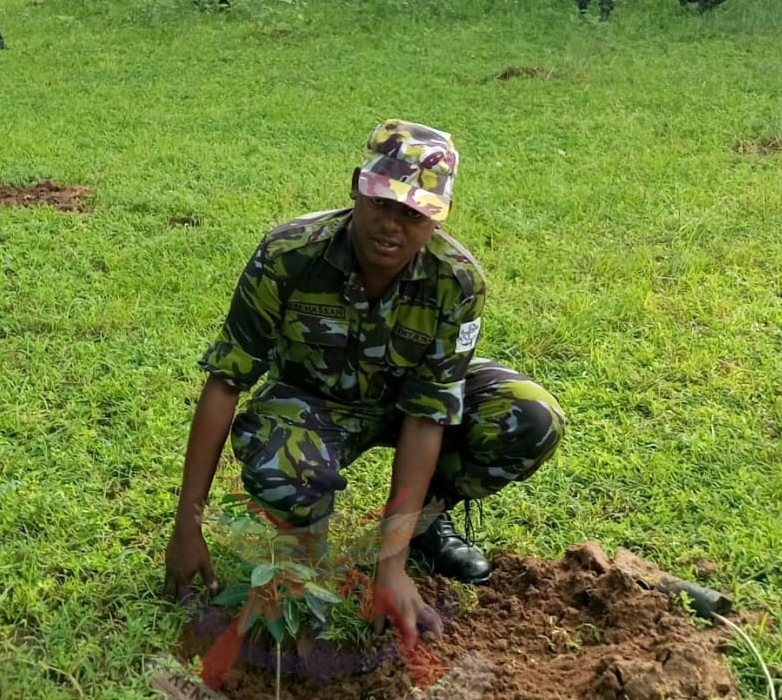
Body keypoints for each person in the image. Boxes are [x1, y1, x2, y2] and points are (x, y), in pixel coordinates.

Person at [164, 120, 565, 638]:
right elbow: (226, 381)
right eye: (381, 204)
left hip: (407, 407)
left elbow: (428, 413)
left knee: (529, 417)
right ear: (358, 185)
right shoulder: (289, 254)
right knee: (280, 461)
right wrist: (187, 524)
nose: (392, 227)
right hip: (312, 403)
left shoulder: (457, 281)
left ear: (438, 217)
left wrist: (390, 566)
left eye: (414, 213)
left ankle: (423, 525)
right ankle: (304, 551)